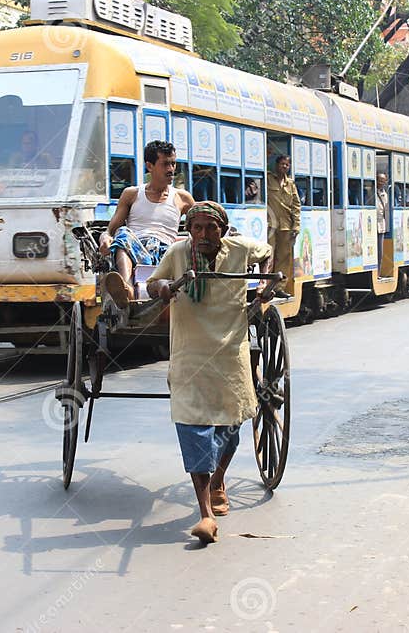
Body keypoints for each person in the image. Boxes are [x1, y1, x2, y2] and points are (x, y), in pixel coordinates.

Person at [146, 201, 272, 544]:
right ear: (188, 230)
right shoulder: (177, 253)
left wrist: (263, 288)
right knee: (192, 428)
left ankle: (218, 481)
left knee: (230, 425)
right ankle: (206, 513)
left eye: (210, 228)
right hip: (189, 354)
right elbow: (153, 285)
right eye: (196, 228)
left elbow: (268, 254)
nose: (203, 235)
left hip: (230, 352)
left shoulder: (241, 248)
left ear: (223, 229)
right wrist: (163, 288)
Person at [98, 141, 194, 308]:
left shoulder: (182, 198)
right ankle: (126, 288)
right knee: (122, 233)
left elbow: (200, 223)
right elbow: (110, 232)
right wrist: (104, 240)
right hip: (136, 251)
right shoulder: (131, 194)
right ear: (150, 166)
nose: (171, 169)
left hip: (167, 254)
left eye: (173, 163)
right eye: (165, 164)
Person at [267, 155, 300, 286]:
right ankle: (266, 283)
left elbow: (296, 206)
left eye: (287, 164)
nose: (284, 166)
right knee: (269, 254)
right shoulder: (268, 179)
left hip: (286, 225)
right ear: (276, 165)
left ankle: (279, 286)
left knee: (283, 257)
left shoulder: (290, 184)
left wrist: (296, 225)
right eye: (282, 164)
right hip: (270, 224)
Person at [375, 173, 390, 264]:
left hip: (380, 226)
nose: (381, 183)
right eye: (379, 180)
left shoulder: (385, 194)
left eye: (383, 181)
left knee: (380, 252)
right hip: (371, 226)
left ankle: (378, 274)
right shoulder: (372, 192)